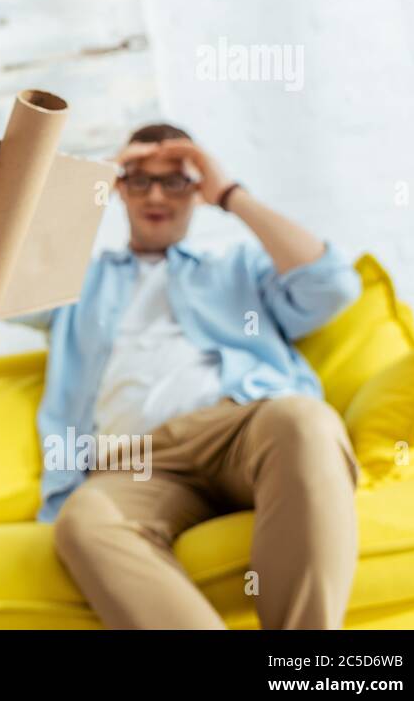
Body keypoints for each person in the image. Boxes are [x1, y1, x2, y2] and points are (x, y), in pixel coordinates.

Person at [20, 122, 362, 628]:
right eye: (138, 179)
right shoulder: (78, 283)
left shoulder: (237, 270)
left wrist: (228, 193)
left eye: (175, 180)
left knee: (306, 422)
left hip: (242, 430)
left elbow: (332, 284)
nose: (156, 194)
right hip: (139, 465)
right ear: (120, 188)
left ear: (197, 190)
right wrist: (96, 178)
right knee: (84, 523)